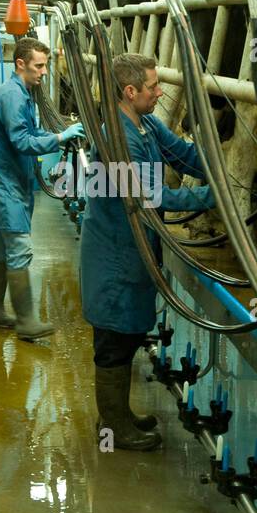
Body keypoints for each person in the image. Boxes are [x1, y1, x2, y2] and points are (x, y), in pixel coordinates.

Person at [79, 53, 216, 451]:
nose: (160, 92)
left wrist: (225, 169)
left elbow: (183, 155)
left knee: (126, 336)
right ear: (130, 91)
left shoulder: (147, 125)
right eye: (154, 87)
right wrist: (213, 197)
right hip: (114, 256)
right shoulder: (116, 138)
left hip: (132, 251)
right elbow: (150, 196)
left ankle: (119, 415)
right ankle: (113, 429)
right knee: (113, 342)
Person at [0, 37, 84, 341]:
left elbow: (31, 131)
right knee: (19, 248)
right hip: (5, 182)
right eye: (39, 66)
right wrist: (60, 139)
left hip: (12, 180)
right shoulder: (12, 96)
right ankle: (26, 320)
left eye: (45, 65)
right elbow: (21, 142)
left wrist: (58, 132)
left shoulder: (23, 94)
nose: (44, 72)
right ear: (20, 64)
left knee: (1, 247)